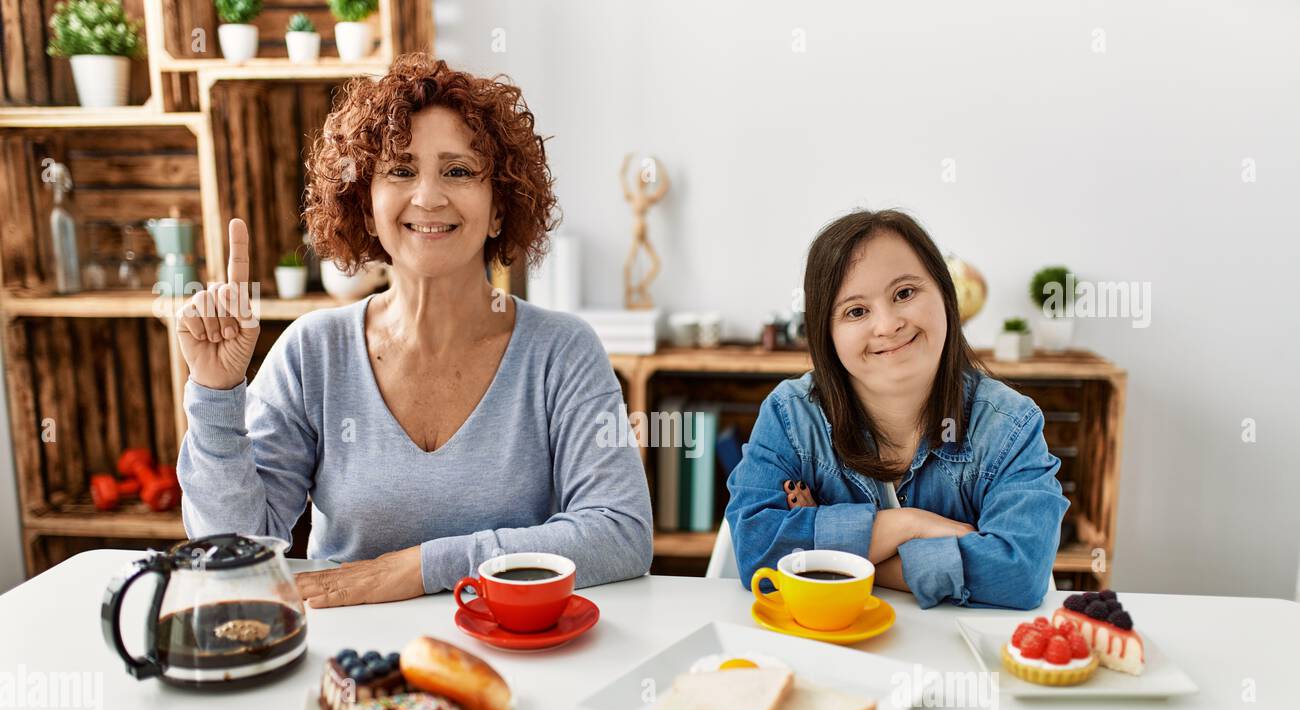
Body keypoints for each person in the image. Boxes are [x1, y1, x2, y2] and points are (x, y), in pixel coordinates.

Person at [175, 54, 652, 608]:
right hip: (347, 662)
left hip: (513, 655)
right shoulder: (314, 352)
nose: (428, 197)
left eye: (458, 171)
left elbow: (620, 534)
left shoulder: (562, 352)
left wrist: (419, 568)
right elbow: (233, 550)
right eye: (401, 170)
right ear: (367, 204)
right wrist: (214, 394)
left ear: (499, 208)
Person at [725, 209, 1069, 610]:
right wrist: (908, 525)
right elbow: (757, 553)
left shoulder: (1010, 424)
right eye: (856, 311)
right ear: (826, 334)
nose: (887, 325)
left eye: (904, 293)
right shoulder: (790, 416)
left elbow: (1019, 575)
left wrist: (843, 555)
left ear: (944, 294)